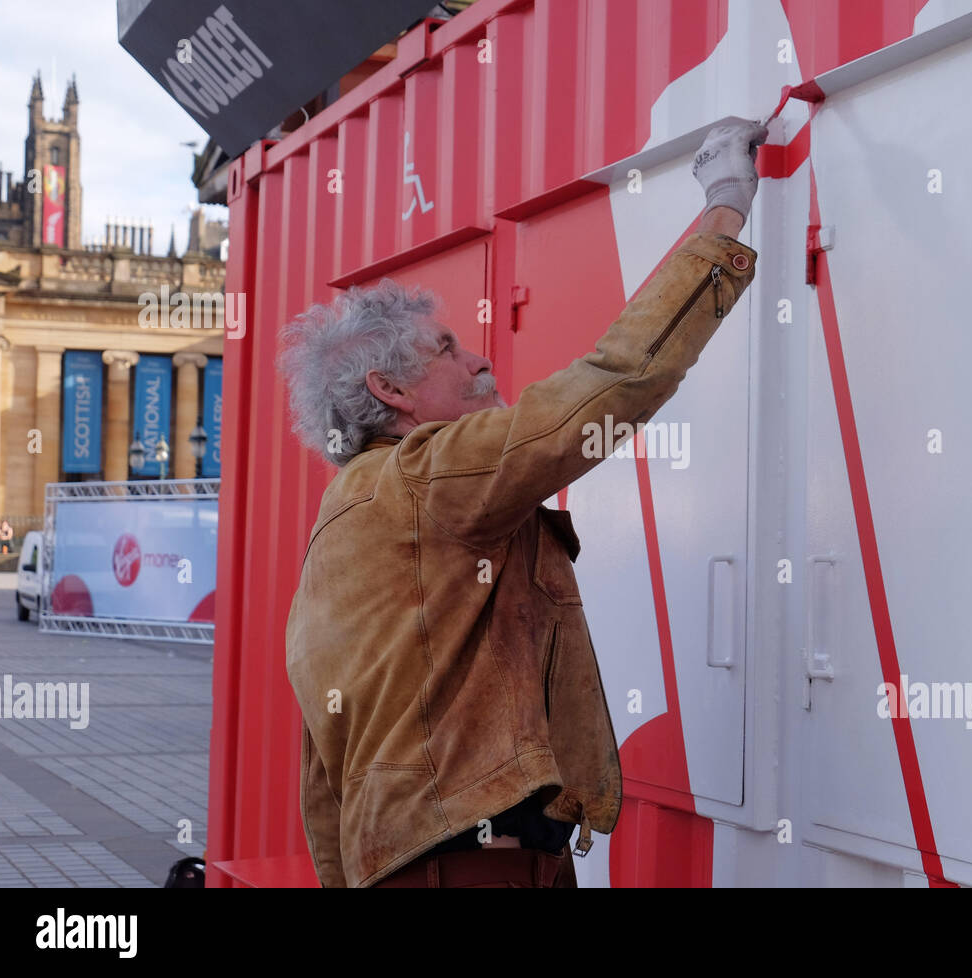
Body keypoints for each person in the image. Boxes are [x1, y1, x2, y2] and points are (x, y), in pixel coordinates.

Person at [279, 119, 767, 888]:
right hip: (478, 870)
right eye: (447, 350)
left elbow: (321, 767)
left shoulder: (341, 524)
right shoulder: (422, 476)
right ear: (391, 391)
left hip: (428, 865)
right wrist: (724, 213)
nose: (478, 358)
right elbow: (609, 387)